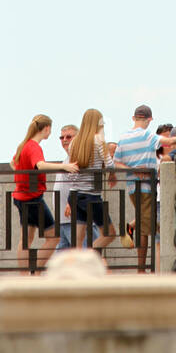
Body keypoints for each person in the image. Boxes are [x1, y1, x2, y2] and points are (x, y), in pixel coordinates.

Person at [114, 105, 176, 272]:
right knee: (145, 228)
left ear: (133, 118)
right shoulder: (148, 135)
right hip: (146, 187)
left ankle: (142, 264)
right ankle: (142, 269)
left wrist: (132, 170)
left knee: (147, 222)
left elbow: (116, 163)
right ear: (150, 119)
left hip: (131, 188)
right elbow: (170, 142)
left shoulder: (123, 138)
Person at [12, 114, 77, 274]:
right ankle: (35, 269)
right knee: (54, 237)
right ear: (46, 128)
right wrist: (64, 167)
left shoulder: (24, 145)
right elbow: (39, 165)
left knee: (26, 239)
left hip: (20, 197)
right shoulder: (34, 146)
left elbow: (13, 163)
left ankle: (24, 274)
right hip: (32, 198)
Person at [69, 109, 117, 255]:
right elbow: (109, 164)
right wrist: (112, 174)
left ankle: (77, 267)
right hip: (91, 195)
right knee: (109, 233)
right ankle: (87, 257)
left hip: (74, 195)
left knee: (77, 239)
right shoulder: (98, 139)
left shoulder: (74, 142)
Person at [53, 124, 80, 249]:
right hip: (63, 220)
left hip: (73, 219)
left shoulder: (78, 157)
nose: (64, 140)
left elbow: (81, 183)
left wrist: (72, 202)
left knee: (83, 255)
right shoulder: (67, 159)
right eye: (61, 137)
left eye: (68, 137)